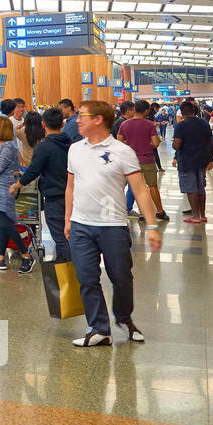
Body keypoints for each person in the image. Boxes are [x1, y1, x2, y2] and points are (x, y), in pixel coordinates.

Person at [65, 100, 162, 347]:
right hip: (81, 224)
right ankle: (99, 328)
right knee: (86, 277)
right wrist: (68, 219)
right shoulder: (75, 149)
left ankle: (124, 318)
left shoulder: (122, 152)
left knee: (120, 277)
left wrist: (151, 226)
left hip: (113, 225)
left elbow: (140, 191)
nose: (77, 120)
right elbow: (71, 186)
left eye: (82, 115)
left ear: (98, 119)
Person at [10, 107, 74, 261]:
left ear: (44, 125)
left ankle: (69, 270)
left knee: (60, 235)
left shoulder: (44, 147)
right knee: (70, 233)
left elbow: (33, 171)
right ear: (63, 124)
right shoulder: (71, 144)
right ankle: (69, 265)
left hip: (55, 197)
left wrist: (16, 185)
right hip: (74, 196)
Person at [0, 116, 32, 272]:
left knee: (5, 224)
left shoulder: (8, 147)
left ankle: (26, 256)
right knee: (2, 224)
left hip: (5, 189)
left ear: (1, 129)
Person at [118, 99, 168, 222]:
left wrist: (130, 144)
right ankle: (160, 211)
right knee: (152, 186)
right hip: (147, 160)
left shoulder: (124, 124)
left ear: (134, 109)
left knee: (138, 188)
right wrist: (146, 144)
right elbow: (156, 143)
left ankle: (142, 214)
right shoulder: (149, 124)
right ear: (146, 111)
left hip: (131, 161)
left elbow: (118, 141)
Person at [172, 100, 213, 224]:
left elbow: (177, 145)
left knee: (191, 189)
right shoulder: (204, 123)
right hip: (202, 160)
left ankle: (195, 216)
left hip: (186, 161)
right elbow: (210, 143)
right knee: (201, 187)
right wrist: (210, 159)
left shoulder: (181, 125)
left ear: (182, 112)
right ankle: (203, 215)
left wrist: (174, 143)